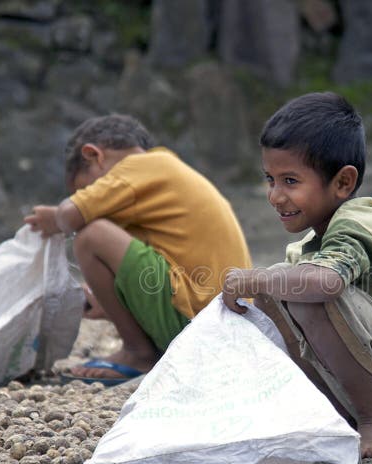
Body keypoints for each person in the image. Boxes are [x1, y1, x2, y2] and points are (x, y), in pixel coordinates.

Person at [222, 93, 372, 457]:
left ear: (342, 183)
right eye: (270, 179)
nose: (275, 196)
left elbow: (326, 283)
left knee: (307, 286)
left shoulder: (355, 224)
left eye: (290, 181)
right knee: (278, 287)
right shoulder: (314, 243)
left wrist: (257, 278)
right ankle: (337, 416)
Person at [25, 114, 252, 384]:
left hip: (200, 322)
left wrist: (56, 218)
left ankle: (138, 354)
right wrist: (109, 304)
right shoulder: (161, 172)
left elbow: (71, 216)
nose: (90, 200)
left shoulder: (138, 166)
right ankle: (143, 350)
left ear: (93, 155)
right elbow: (152, 261)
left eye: (84, 190)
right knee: (100, 233)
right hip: (225, 326)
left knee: (91, 235)